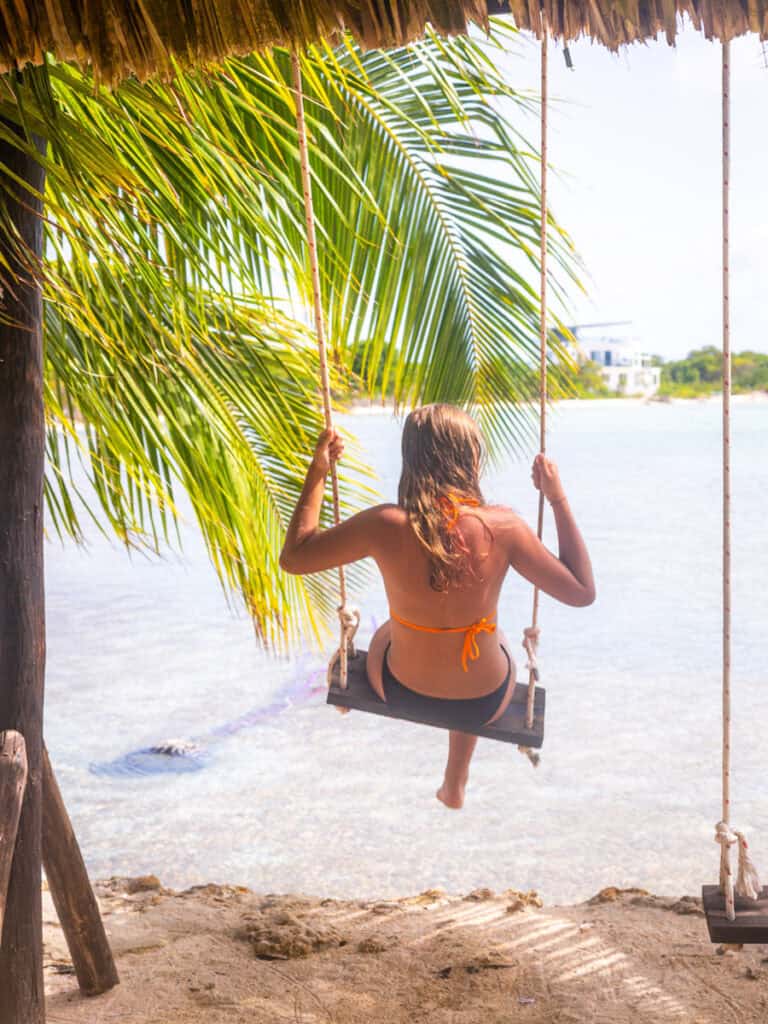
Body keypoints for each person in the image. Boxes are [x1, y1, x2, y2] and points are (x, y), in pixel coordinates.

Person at [280, 404, 595, 809]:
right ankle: (455, 780)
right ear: (470, 458)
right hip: (483, 702)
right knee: (485, 641)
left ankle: (353, 698)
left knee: (391, 630)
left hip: (398, 688)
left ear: (411, 459)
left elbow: (295, 557)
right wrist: (557, 498)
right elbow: (582, 591)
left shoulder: (385, 524)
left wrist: (319, 471)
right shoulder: (503, 527)